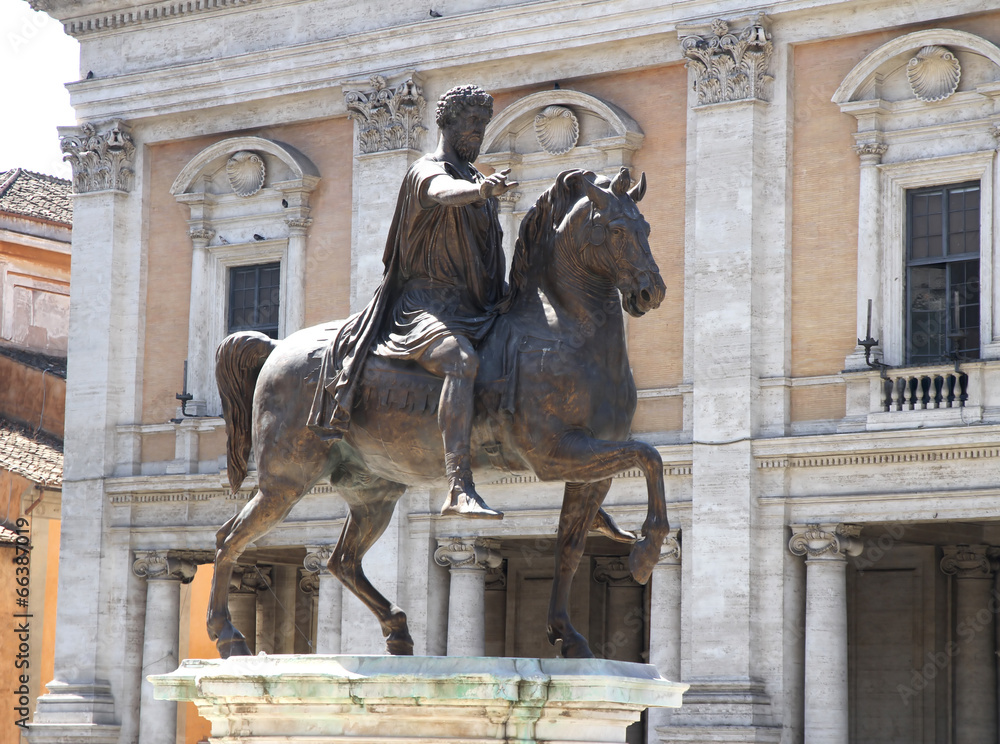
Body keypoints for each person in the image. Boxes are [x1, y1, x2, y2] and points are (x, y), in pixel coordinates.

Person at [308, 84, 517, 519]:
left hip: (474, 305)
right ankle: (459, 485)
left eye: (484, 124)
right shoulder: (428, 170)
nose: (479, 132)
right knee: (460, 362)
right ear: (448, 122)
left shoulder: (477, 177)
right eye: (473, 123)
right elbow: (443, 193)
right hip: (424, 305)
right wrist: (479, 194)